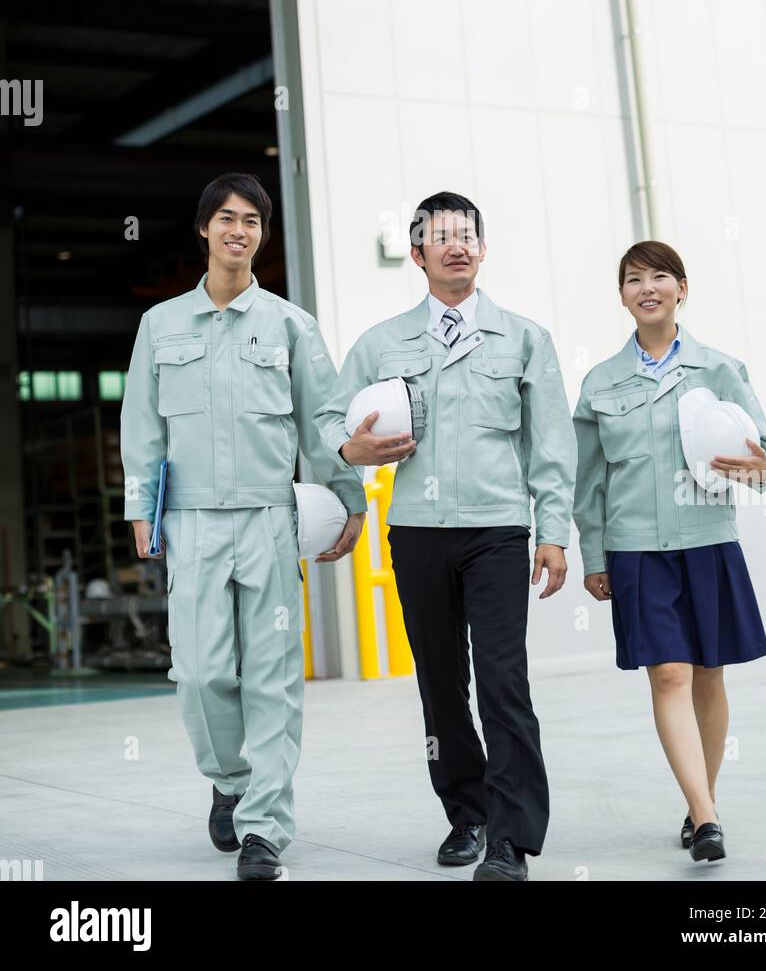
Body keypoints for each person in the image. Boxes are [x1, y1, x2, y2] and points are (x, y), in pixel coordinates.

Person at [313, 191, 577, 882]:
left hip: (496, 532)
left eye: (468, 235)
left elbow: (552, 445)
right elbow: (326, 424)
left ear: (482, 250)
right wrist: (349, 459)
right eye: (441, 236)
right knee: (439, 683)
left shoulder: (524, 338)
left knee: (502, 680)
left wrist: (553, 532)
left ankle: (511, 839)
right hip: (418, 534)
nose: (456, 245)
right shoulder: (381, 343)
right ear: (419, 253)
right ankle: (466, 814)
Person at [120, 172, 368, 881]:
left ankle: (264, 826)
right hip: (192, 520)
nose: (239, 231)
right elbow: (141, 425)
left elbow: (325, 422)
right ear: (204, 229)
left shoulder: (291, 325)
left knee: (272, 678)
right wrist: (142, 507)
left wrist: (350, 499)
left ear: (262, 235)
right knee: (197, 674)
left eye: (252, 222)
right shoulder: (160, 325)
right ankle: (229, 778)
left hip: (269, 518)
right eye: (226, 218)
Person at [572, 240, 766, 863]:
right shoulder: (601, 382)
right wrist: (593, 555)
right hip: (636, 550)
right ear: (622, 296)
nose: (648, 288)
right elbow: (590, 481)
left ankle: (699, 804)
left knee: (709, 675)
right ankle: (709, 817)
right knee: (668, 673)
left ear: (681, 289)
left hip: (706, 542)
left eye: (660, 276)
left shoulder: (720, 370)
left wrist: (756, 469)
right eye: (634, 279)